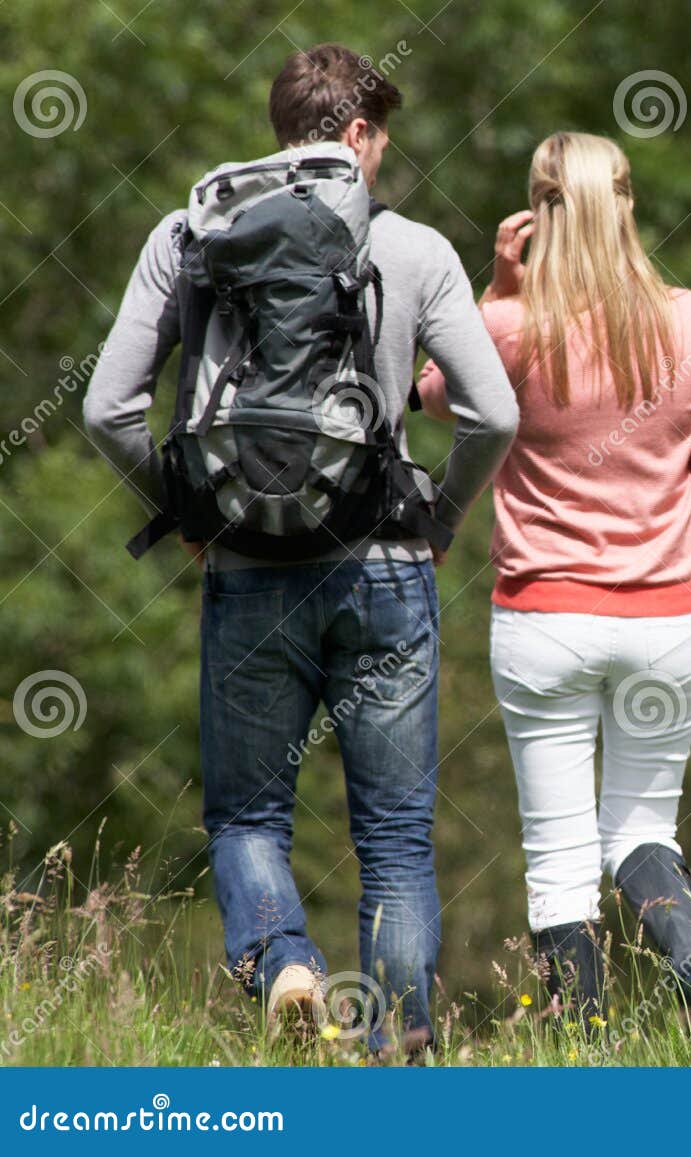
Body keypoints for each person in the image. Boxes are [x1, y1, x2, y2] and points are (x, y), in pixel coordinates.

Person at [83, 44, 519, 1052]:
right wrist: (443, 515)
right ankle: (398, 1054)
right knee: (398, 842)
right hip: (386, 571)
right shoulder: (410, 249)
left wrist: (192, 508)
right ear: (358, 134)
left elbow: (107, 410)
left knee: (246, 818)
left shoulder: (187, 236)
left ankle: (283, 960)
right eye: (385, 143)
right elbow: (492, 414)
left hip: (246, 570)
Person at [416, 132, 691, 1028]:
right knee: (643, 829)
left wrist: (496, 292)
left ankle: (583, 1046)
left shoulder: (507, 328)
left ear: (536, 216)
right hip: (669, 616)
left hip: (544, 621)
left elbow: (431, 393)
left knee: (558, 854)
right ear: (629, 204)